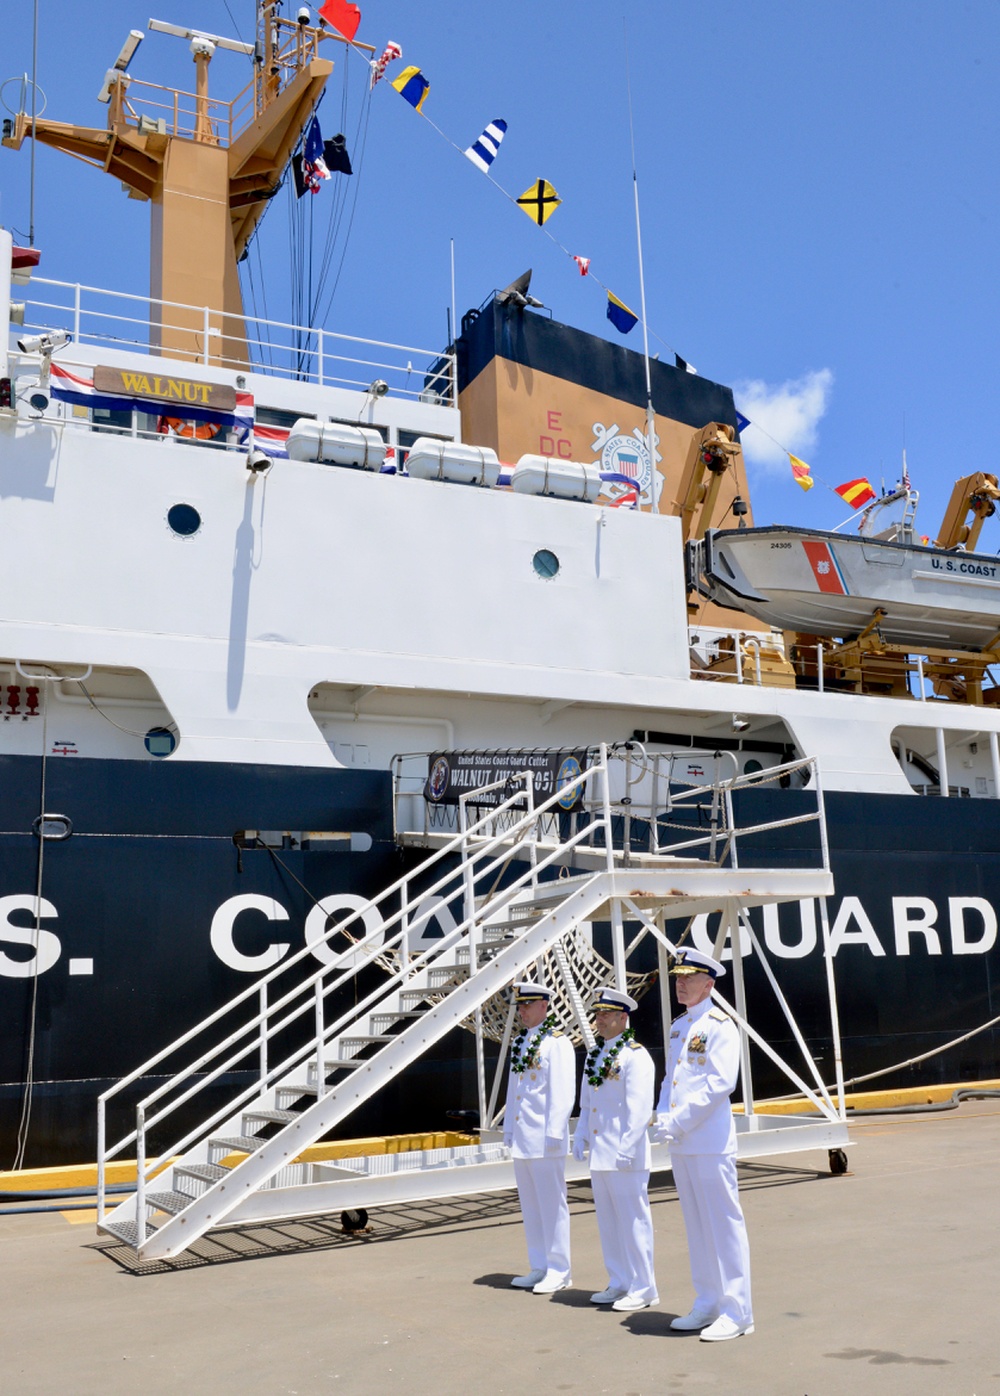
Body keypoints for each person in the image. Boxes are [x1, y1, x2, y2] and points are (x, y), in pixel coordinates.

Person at [654, 947, 753, 1342]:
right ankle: (708, 1302)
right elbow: (669, 1081)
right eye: (678, 977)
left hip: (709, 1142)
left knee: (724, 1225)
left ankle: (739, 1311)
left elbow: (720, 1084)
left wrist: (676, 1121)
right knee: (696, 1226)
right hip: (682, 1142)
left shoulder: (720, 1026)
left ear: (708, 983)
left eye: (688, 978)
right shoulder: (680, 1028)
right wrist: (663, 1116)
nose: (680, 983)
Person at [573, 987, 657, 1312]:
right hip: (601, 1154)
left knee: (634, 1222)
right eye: (598, 1013)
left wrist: (627, 1147)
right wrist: (581, 1136)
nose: (600, 1019)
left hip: (626, 1156)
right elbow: (588, 1104)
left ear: (624, 1017)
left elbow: (639, 1109)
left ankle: (645, 1286)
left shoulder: (636, 1056)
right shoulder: (596, 1056)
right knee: (609, 1223)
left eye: (607, 1014)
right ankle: (619, 1281)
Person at [503, 981, 577, 1294]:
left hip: (546, 1139)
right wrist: (508, 1128)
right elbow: (514, 1091)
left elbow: (562, 1092)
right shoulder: (521, 1043)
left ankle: (560, 1269)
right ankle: (540, 1265)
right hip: (523, 1137)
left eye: (527, 1005)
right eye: (519, 1005)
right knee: (531, 1206)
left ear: (544, 1006)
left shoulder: (557, 1043)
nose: (521, 1010)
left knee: (551, 1204)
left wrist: (554, 1133)